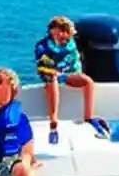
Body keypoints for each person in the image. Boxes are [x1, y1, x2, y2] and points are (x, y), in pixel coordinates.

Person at [34, 15, 110, 143]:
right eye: (60, 32)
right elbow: (43, 66)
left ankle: (89, 117)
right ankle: (53, 121)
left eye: (66, 32)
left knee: (88, 82)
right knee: (51, 81)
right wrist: (52, 72)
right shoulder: (43, 46)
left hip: (69, 73)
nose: (63, 36)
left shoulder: (71, 44)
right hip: (51, 75)